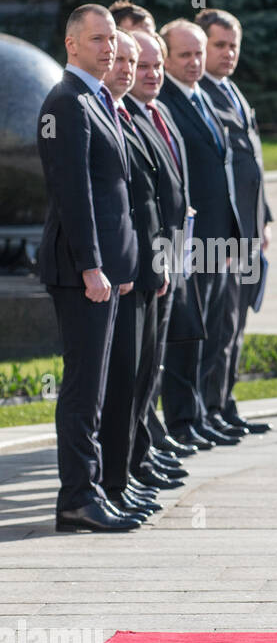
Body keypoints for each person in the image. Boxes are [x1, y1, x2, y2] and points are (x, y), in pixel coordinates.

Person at [37, 4, 141, 532]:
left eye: (113, 40)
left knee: (96, 389)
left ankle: (93, 490)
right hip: (81, 272)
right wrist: (92, 267)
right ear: (71, 43)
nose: (109, 49)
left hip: (103, 270)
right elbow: (72, 193)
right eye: (97, 39)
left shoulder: (96, 99)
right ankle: (77, 498)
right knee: (83, 389)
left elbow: (111, 191)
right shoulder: (67, 101)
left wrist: (117, 264)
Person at [157, 19, 242, 449]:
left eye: (197, 54)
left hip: (215, 238)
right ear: (167, 57)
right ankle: (182, 419)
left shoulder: (201, 97)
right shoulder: (166, 100)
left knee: (209, 328)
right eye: (185, 55)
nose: (194, 62)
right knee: (187, 333)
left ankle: (201, 414)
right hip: (187, 242)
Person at [123, 26, 201, 479]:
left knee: (153, 363)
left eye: (154, 66)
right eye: (144, 66)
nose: (150, 74)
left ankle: (141, 453)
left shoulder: (159, 112)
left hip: (171, 254)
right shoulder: (127, 116)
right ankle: (129, 463)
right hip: (145, 260)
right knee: (136, 370)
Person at [99, 27, 170, 521]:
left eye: (135, 61)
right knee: (119, 383)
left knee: (138, 378)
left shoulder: (131, 115)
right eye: (121, 59)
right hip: (119, 271)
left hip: (144, 267)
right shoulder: (98, 113)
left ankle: (121, 480)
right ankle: (111, 483)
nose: (126, 68)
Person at [197, 8, 272, 437]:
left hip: (248, 231)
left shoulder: (232, 91)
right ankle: (206, 411)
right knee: (218, 325)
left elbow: (252, 166)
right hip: (222, 236)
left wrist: (265, 219)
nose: (228, 54)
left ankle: (225, 403)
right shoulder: (199, 97)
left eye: (233, 46)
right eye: (219, 45)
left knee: (237, 322)